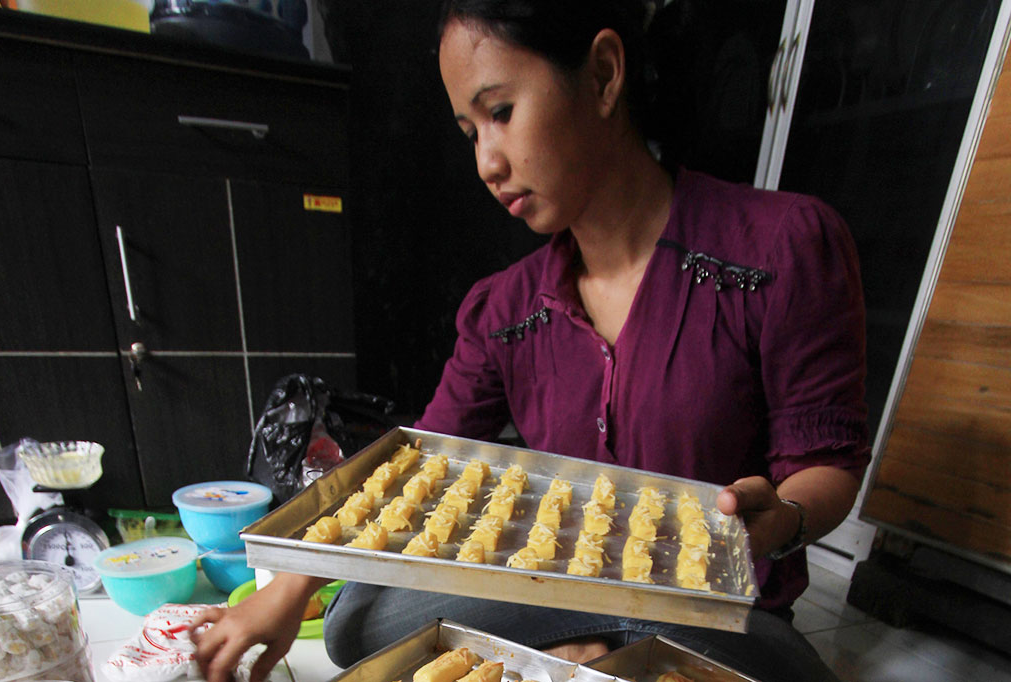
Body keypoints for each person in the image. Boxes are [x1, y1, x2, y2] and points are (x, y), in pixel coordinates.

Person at [190, 1, 870, 680]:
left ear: (602, 76)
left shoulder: (778, 249)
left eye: (501, 112)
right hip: (556, 591)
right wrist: (285, 590)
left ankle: (585, 656)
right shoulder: (506, 308)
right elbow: (418, 461)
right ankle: (586, 652)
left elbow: (829, 467)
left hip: (711, 605)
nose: (487, 161)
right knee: (353, 619)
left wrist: (778, 518)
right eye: (469, 130)